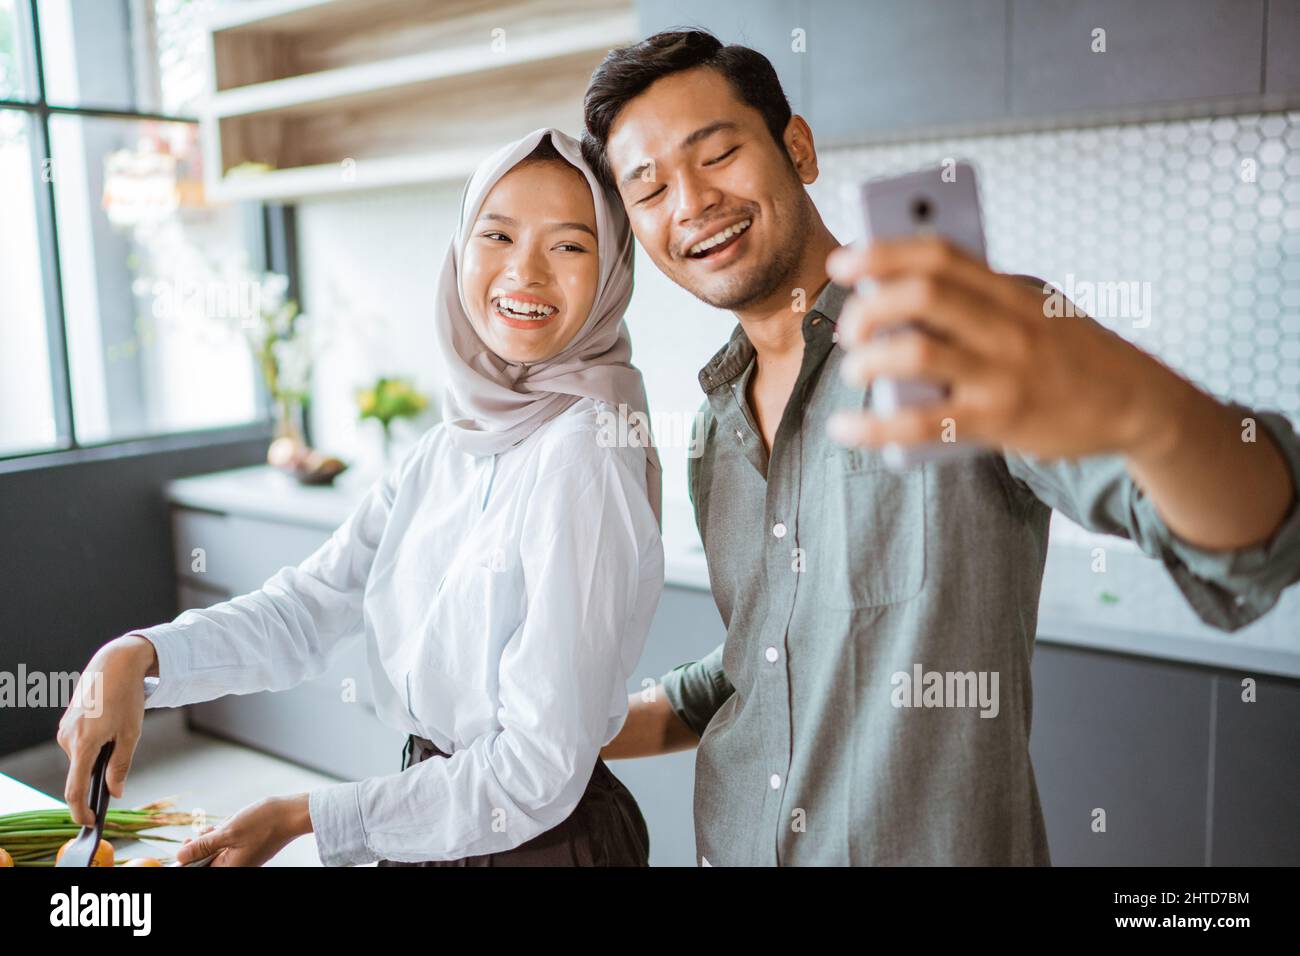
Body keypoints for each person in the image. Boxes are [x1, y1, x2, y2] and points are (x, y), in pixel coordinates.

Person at [582, 29, 1300, 865]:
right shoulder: (716, 430)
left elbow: (1258, 544)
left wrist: (1146, 409)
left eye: (716, 154)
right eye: (650, 188)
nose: (691, 203)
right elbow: (757, 664)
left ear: (798, 148)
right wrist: (555, 742)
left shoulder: (961, 342)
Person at [57, 128, 664, 867]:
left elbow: (534, 771)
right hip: (435, 809)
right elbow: (306, 609)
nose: (524, 271)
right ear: (460, 251)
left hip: (539, 843)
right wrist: (141, 655)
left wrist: (307, 816)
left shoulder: (585, 452)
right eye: (497, 235)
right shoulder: (449, 447)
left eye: (569, 246)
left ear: (611, 274)